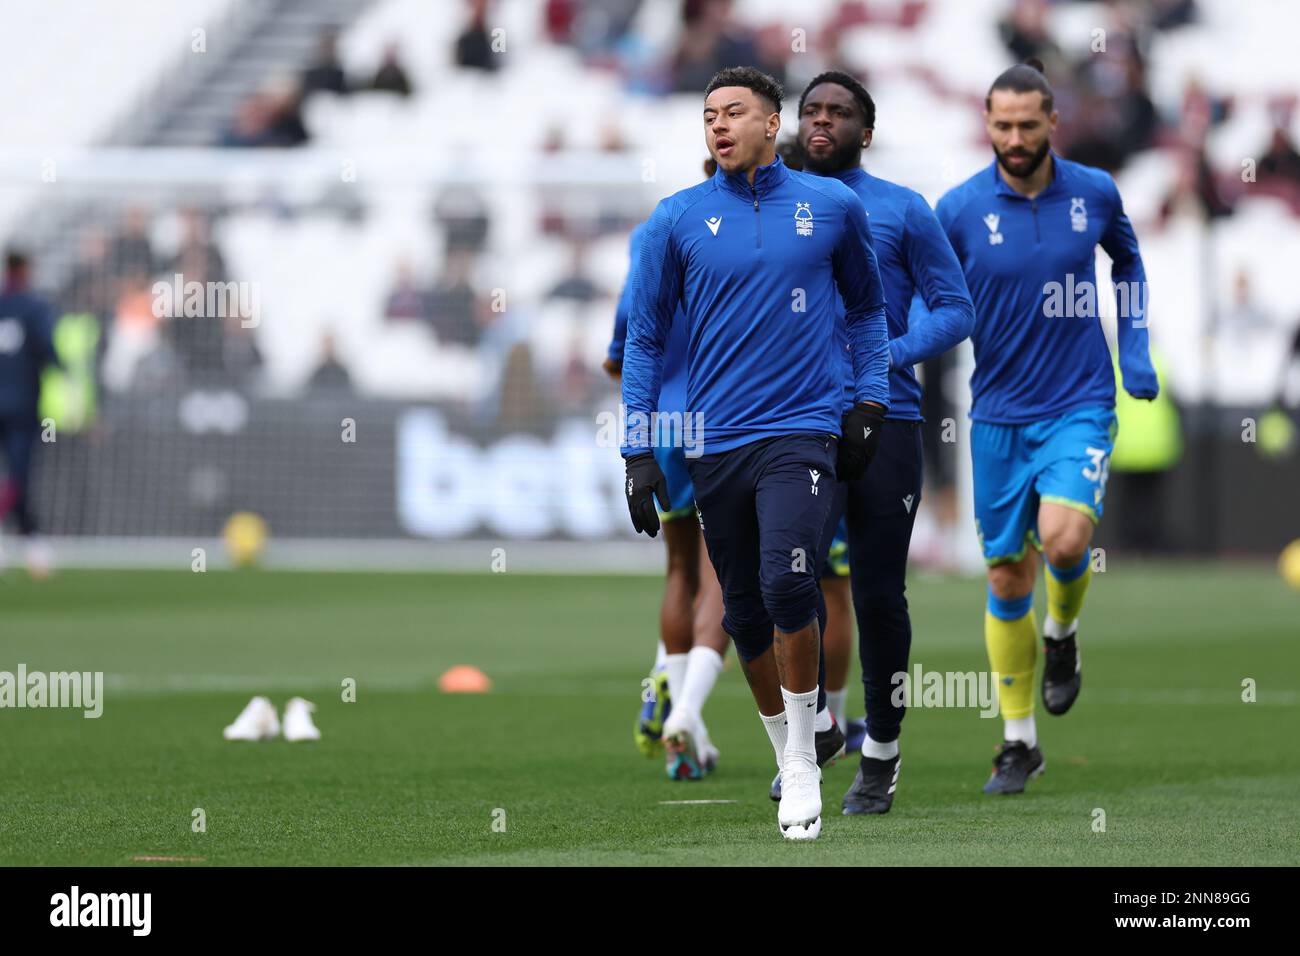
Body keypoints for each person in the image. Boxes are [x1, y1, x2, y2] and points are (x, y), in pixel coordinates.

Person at [621, 66, 890, 840]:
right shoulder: (676, 219)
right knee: (741, 611)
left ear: (773, 123)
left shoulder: (833, 207)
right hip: (714, 442)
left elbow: (869, 311)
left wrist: (869, 399)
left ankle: (802, 758)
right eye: (708, 115)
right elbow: (643, 339)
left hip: (802, 432)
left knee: (787, 578)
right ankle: (793, 746)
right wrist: (639, 448)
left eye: (734, 112)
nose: (718, 125)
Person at [935, 60, 1157, 794]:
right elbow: (927, 298)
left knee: (1065, 538)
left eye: (1029, 124)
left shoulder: (1093, 193)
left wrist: (1135, 350)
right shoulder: (959, 210)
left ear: (1053, 122)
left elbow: (1128, 262)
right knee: (1005, 575)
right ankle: (1018, 740)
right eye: (1002, 125)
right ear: (987, 124)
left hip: (1079, 403)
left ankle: (1060, 634)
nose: (1016, 137)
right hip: (997, 413)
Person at [796, 71, 976, 814]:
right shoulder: (769, 209)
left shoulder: (903, 210)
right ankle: (810, 734)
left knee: (875, 592)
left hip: (885, 421)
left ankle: (882, 752)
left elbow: (956, 308)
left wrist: (886, 357)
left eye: (840, 113)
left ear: (865, 133)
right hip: (791, 423)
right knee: (784, 584)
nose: (823, 121)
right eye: (812, 109)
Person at [606, 181, 729, 780]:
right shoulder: (752, 235)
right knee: (726, 572)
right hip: (727, 423)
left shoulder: (650, 233)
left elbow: (622, 345)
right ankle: (685, 710)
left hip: (664, 423)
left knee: (679, 568)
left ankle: (690, 731)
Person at [0, 252, 59, 576]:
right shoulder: (33, 307)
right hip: (21, 407)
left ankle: (33, 543)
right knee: (19, 476)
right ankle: (33, 543)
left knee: (16, 478)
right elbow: (48, 350)